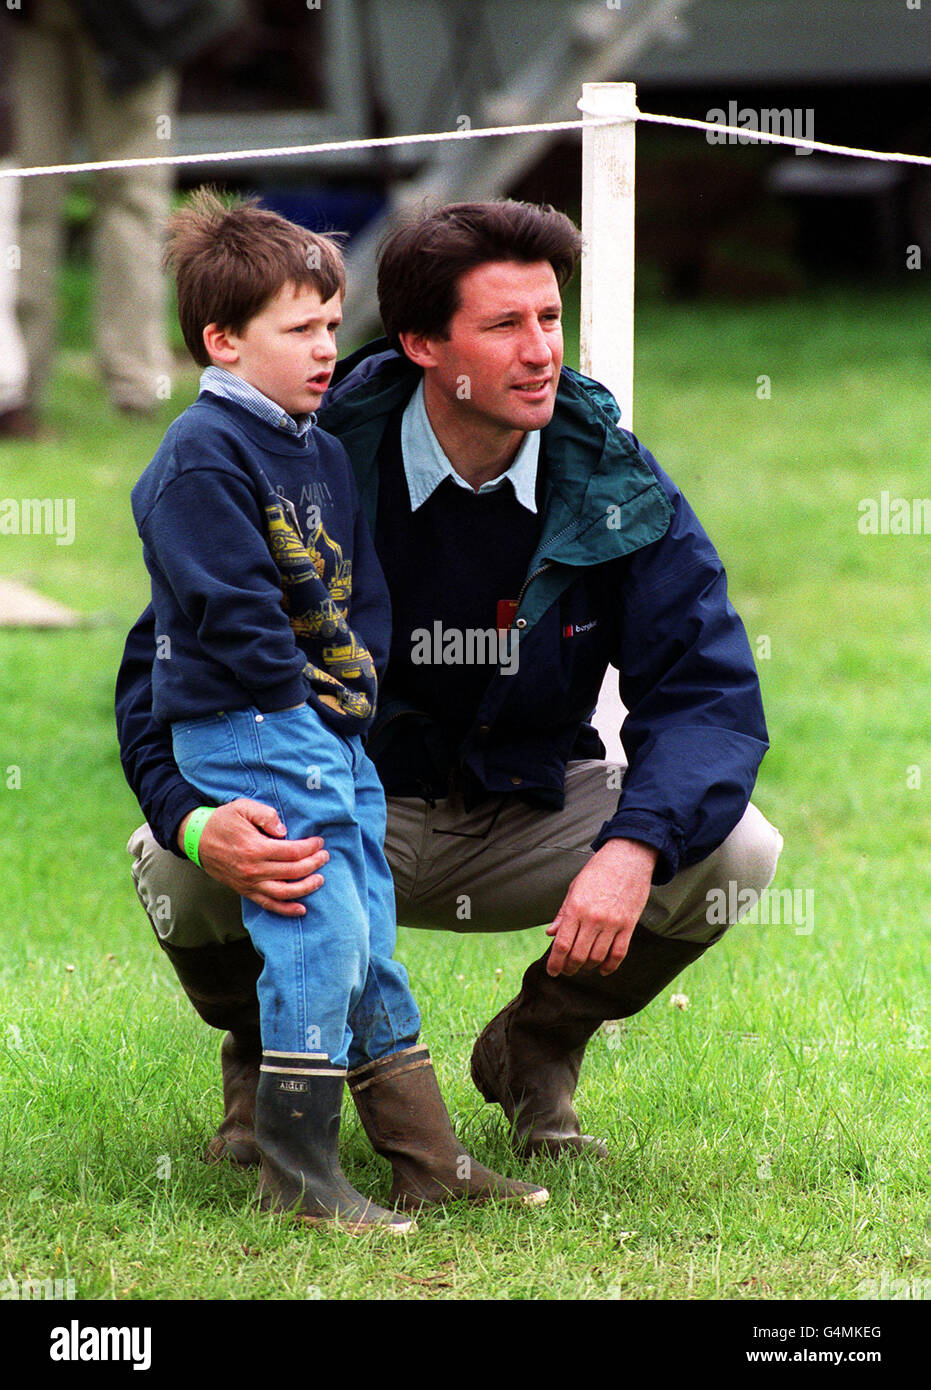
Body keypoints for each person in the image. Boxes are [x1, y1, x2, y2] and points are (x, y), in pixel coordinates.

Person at [117, 199, 782, 1169]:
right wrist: (189, 815)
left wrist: (635, 843)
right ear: (423, 343)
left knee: (735, 853)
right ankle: (264, 1060)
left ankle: (535, 1048)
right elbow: (158, 677)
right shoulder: (303, 455)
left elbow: (710, 694)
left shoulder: (607, 473)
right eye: (505, 325)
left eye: (550, 319)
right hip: (340, 803)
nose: (541, 350)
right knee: (175, 861)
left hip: (526, 810)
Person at [126, 189, 547, 1231]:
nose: (327, 348)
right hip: (257, 731)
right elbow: (228, 610)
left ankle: (425, 1156)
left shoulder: (313, 446)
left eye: (329, 323)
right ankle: (299, 1171)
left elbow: (359, 588)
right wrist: (301, 700)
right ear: (222, 342)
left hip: (328, 729)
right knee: (316, 932)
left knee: (362, 932)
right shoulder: (198, 457)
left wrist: (359, 680)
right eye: (300, 329)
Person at [9, 0, 239, 425]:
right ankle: (15, 386)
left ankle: (136, 386)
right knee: (26, 198)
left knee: (133, 199)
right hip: (31, 22)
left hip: (137, 22)